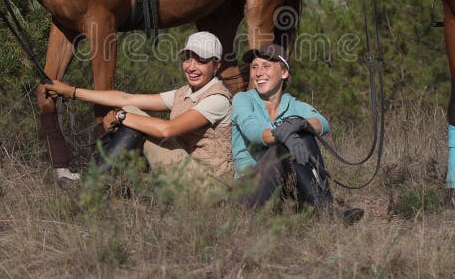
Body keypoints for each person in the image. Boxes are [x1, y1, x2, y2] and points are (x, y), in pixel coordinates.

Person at [44, 31, 233, 188]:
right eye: (188, 59)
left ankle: (94, 183)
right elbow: (126, 98)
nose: (191, 67)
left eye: (201, 61)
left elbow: (167, 129)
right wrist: (73, 92)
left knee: (132, 116)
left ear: (216, 66)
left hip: (209, 186)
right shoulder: (185, 93)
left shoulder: (217, 99)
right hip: (187, 172)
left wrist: (121, 115)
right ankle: (105, 180)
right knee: (131, 110)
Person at [231, 43, 363, 224]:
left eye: (266, 66)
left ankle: (323, 209)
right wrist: (282, 134)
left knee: (303, 132)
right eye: (255, 67)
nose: (258, 72)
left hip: (286, 191)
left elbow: (323, 124)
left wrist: (301, 123)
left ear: (284, 73)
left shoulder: (294, 105)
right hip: (252, 189)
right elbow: (253, 131)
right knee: (282, 145)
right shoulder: (243, 100)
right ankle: (328, 214)